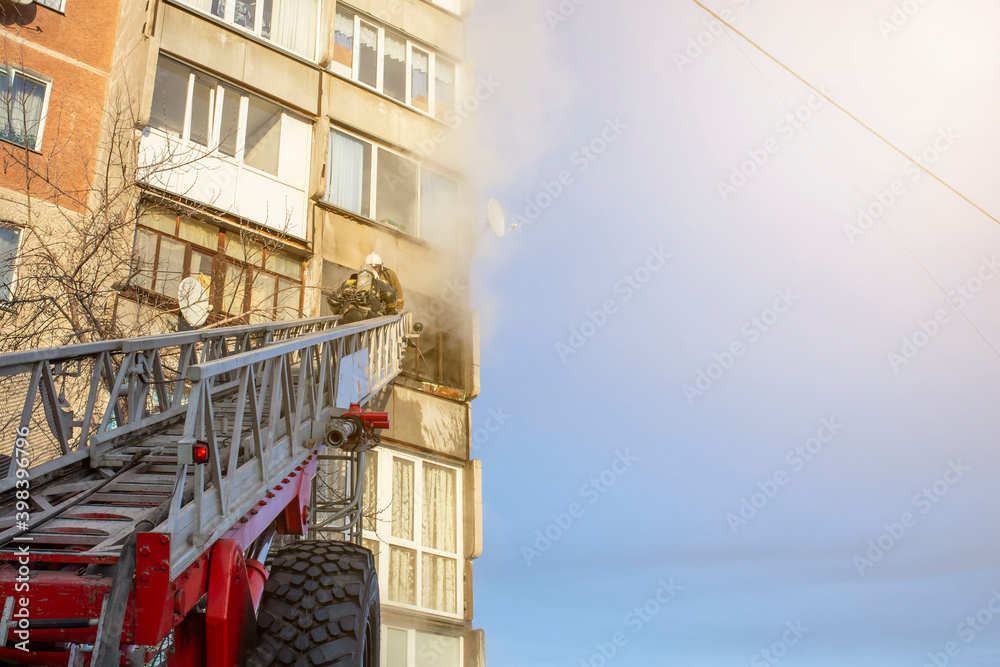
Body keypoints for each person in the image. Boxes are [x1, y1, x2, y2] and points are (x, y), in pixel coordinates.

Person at [327, 264, 397, 324]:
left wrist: (338, 313)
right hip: (372, 319)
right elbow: (389, 294)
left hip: (350, 316)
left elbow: (333, 299)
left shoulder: (348, 283)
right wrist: (391, 311)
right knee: (375, 338)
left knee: (347, 336)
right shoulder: (378, 284)